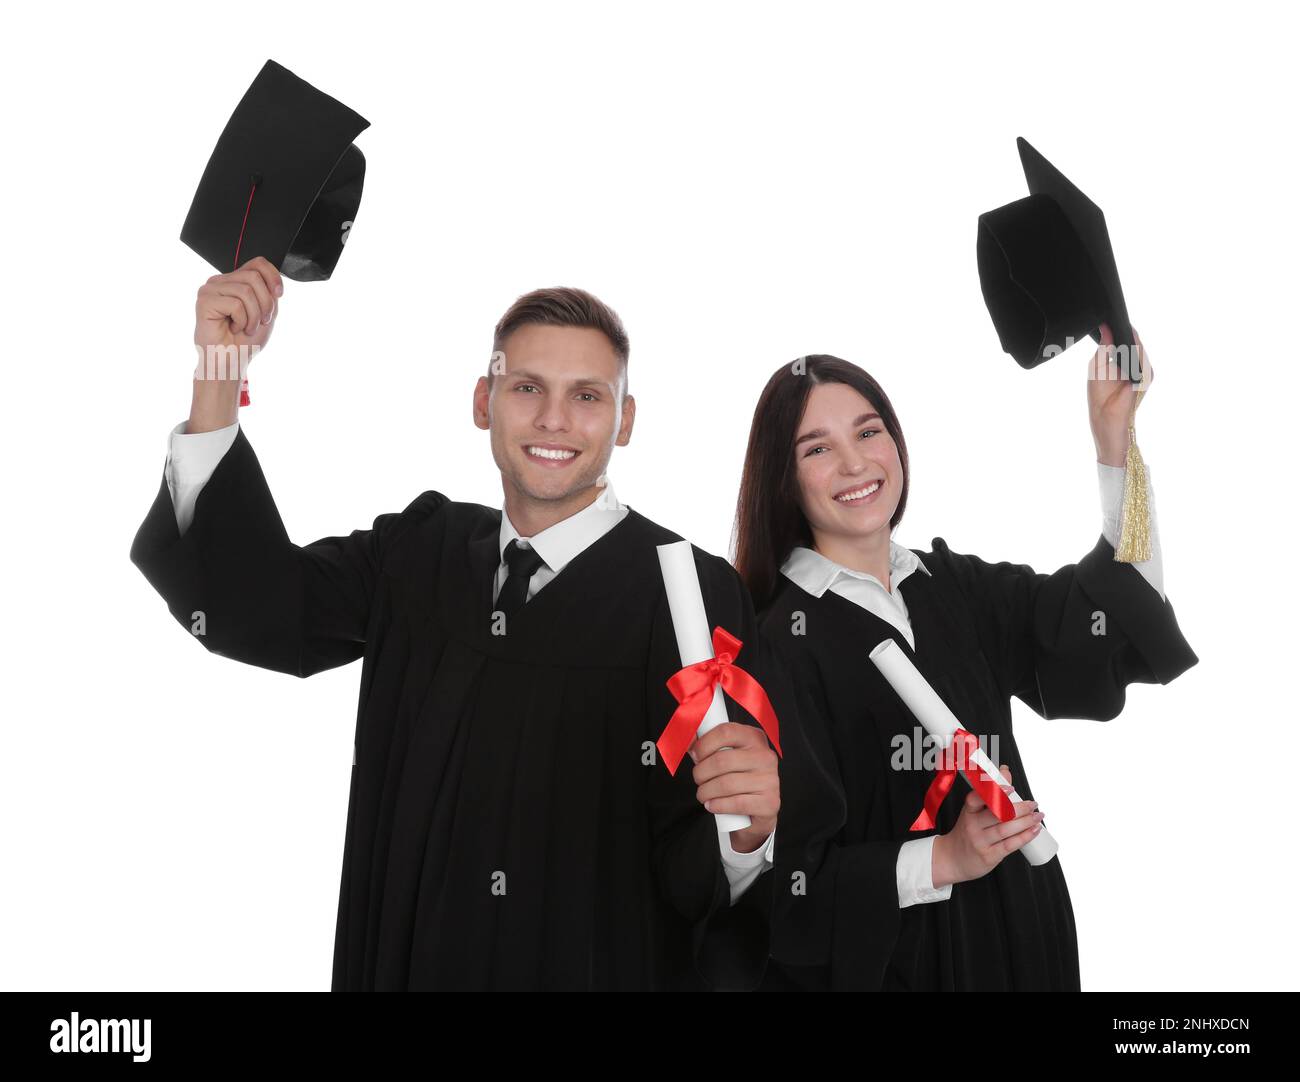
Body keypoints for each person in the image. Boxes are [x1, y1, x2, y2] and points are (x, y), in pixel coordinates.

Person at [129, 256, 781, 991]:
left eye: (588, 396)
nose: (554, 419)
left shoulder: (690, 591)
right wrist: (219, 369)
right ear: (484, 400)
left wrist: (748, 832)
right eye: (527, 387)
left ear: (625, 419)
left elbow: (701, 872)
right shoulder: (420, 551)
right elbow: (251, 608)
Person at [730, 335, 1197, 991]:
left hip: (1024, 933)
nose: (855, 463)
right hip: (906, 966)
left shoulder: (952, 586)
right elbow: (784, 886)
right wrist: (942, 857)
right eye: (817, 449)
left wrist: (1114, 444)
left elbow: (1108, 612)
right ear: (784, 477)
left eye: (869, 432)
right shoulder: (775, 643)